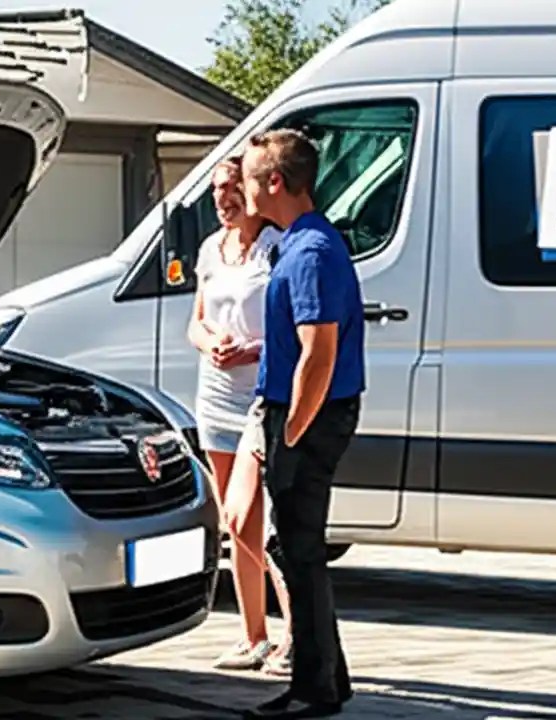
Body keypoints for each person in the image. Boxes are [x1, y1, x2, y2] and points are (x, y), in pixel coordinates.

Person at [232, 129, 365, 720]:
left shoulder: (310, 251)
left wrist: (290, 432)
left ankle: (315, 689)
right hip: (297, 412)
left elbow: (320, 351)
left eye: (250, 174)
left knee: (299, 550)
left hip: (307, 416)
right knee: (296, 547)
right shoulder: (298, 243)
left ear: (275, 182)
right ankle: (327, 680)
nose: (242, 184)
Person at [187, 155, 293, 673]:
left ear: (250, 192)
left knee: (261, 518)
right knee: (237, 526)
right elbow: (197, 323)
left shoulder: (276, 248)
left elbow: (290, 327)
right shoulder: (211, 249)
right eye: (214, 191)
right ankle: (254, 636)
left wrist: (251, 352)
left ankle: (295, 637)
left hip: (259, 397)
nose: (222, 199)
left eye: (230, 188)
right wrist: (212, 345)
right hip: (214, 396)